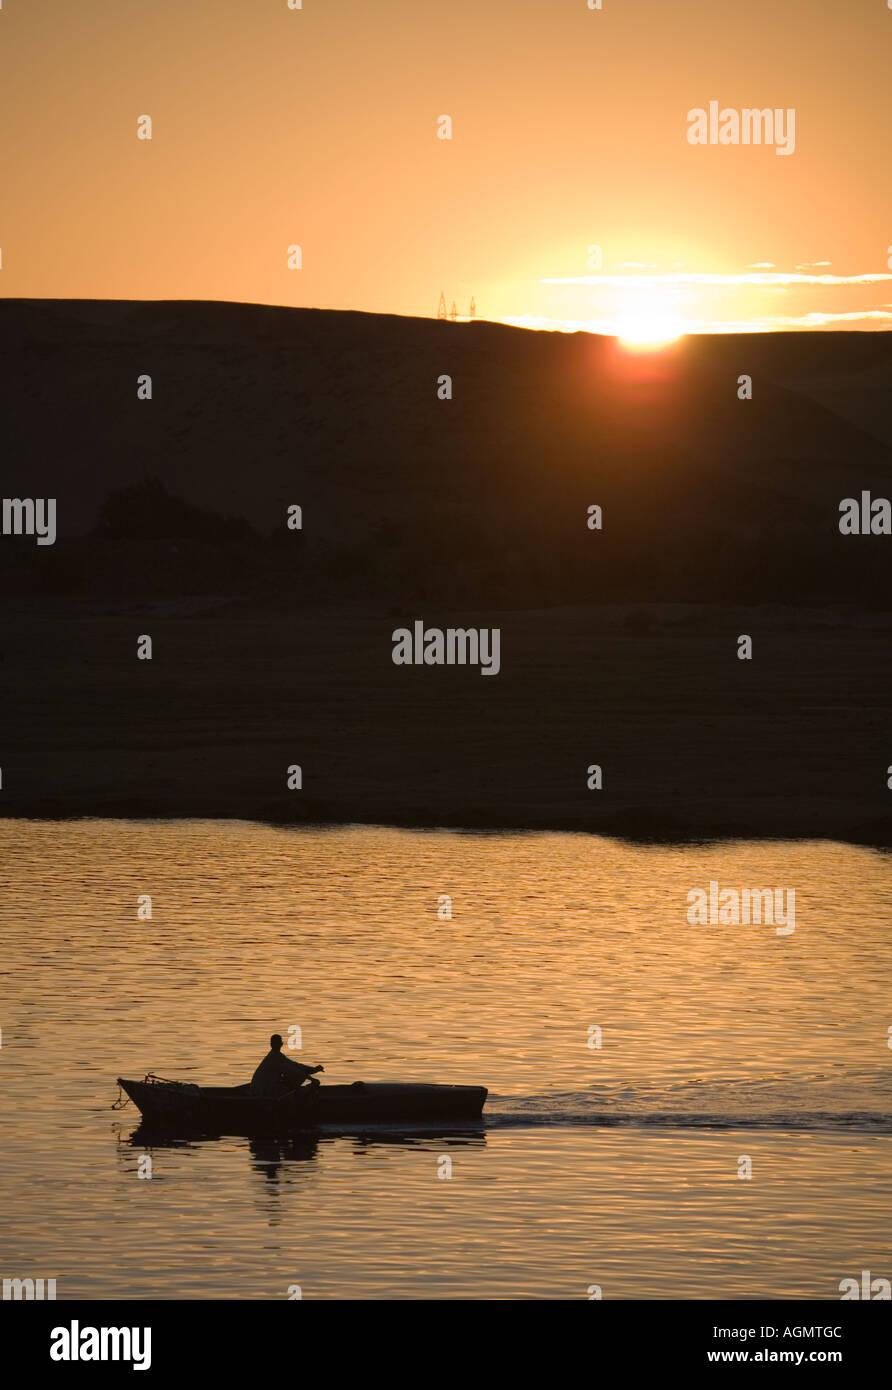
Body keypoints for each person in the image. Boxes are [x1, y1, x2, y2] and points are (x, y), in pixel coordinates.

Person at [250, 1034, 324, 1098]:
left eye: (277, 1043)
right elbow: (293, 1070)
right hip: (261, 1091)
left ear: (281, 1044)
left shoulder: (279, 1056)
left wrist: (314, 1069)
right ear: (271, 1045)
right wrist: (310, 1078)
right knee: (294, 1082)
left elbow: (295, 1065)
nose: (276, 1045)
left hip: (265, 1088)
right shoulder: (273, 1057)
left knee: (293, 1081)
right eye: (274, 1043)